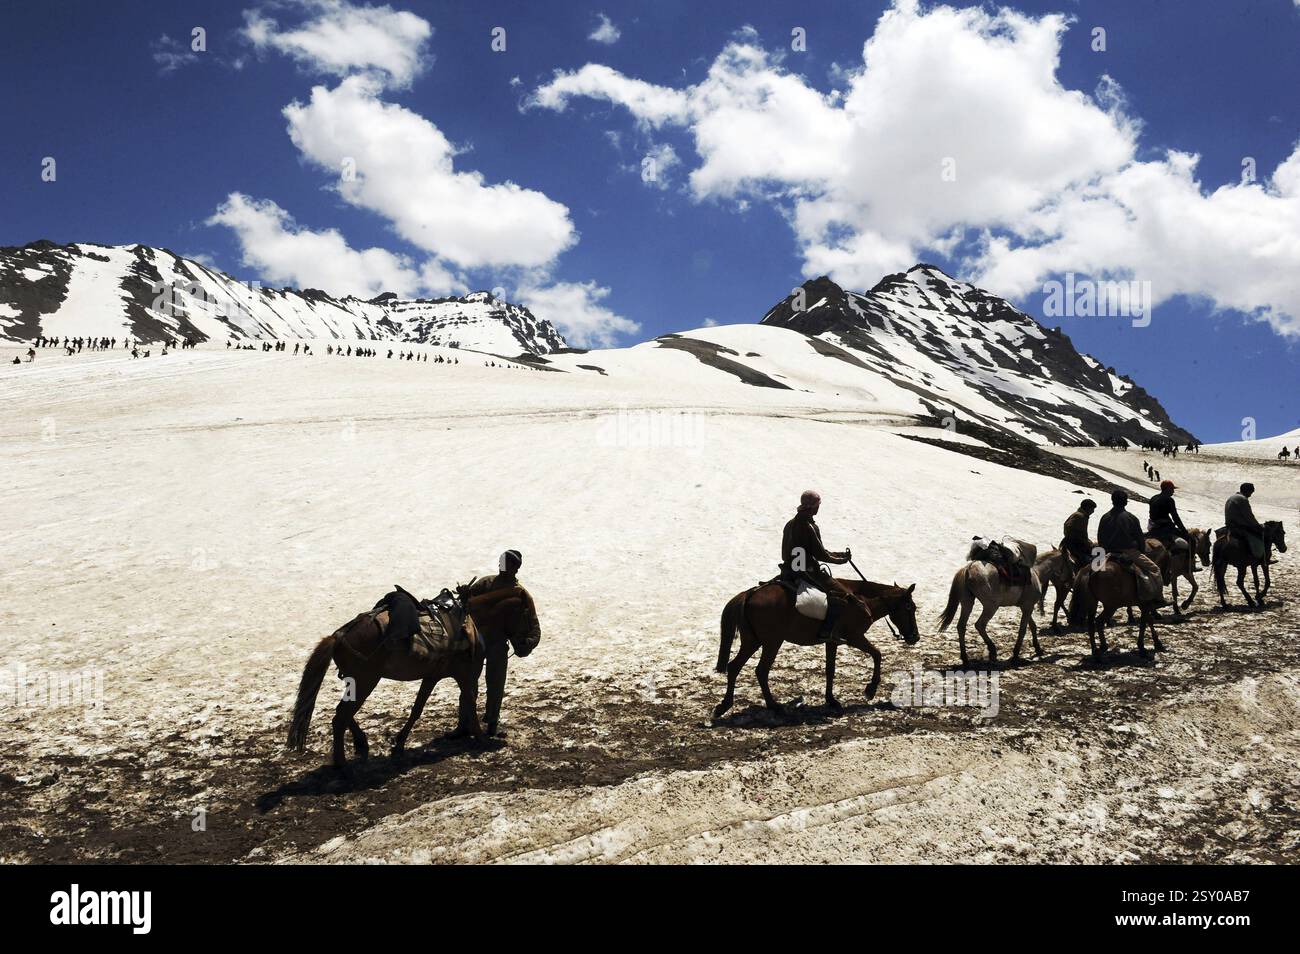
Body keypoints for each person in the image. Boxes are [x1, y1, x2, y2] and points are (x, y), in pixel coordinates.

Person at [464, 550, 539, 737]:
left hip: (497, 643)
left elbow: (533, 625)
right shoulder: (485, 583)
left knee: (495, 684)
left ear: (516, 567)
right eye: (502, 562)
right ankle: (464, 723)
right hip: (476, 641)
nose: (502, 566)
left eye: (506, 563)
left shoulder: (520, 594)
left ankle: (491, 723)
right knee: (468, 683)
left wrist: (527, 643)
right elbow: (466, 603)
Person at [779, 490, 853, 640]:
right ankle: (828, 631)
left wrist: (839, 554)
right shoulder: (809, 526)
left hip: (789, 571)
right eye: (818, 505)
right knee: (843, 595)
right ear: (813, 507)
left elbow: (786, 553)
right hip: (808, 572)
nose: (819, 508)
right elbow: (821, 555)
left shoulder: (790, 524)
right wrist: (841, 560)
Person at [1096, 490, 1165, 605]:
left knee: (1092, 570)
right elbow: (1139, 538)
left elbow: (1100, 537)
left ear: (1112, 501)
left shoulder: (1105, 517)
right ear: (1125, 503)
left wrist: (1101, 553)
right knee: (1155, 569)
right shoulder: (1131, 518)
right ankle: (1158, 599)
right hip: (1128, 551)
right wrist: (1141, 551)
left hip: (1106, 552)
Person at [1147, 480, 1193, 574]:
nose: (1173, 491)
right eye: (1172, 489)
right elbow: (1175, 516)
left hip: (1153, 528)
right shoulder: (1169, 500)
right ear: (1167, 489)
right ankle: (1189, 566)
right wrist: (1184, 531)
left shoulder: (1153, 498)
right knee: (1190, 540)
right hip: (1165, 529)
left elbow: (1152, 514)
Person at [1225, 483, 1265, 561]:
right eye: (1250, 493)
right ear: (1247, 491)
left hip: (1229, 525)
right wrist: (1258, 526)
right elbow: (1249, 516)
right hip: (1239, 526)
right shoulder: (1242, 499)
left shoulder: (1232, 497)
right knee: (1261, 536)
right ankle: (1262, 559)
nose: (1250, 495)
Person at [1061, 499, 1097, 571]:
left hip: (1074, 543)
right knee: (1091, 561)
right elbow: (1070, 529)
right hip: (1074, 546)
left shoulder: (1081, 515)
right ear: (1087, 507)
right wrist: (1085, 543)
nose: (1093, 511)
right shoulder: (1080, 516)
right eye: (1092, 509)